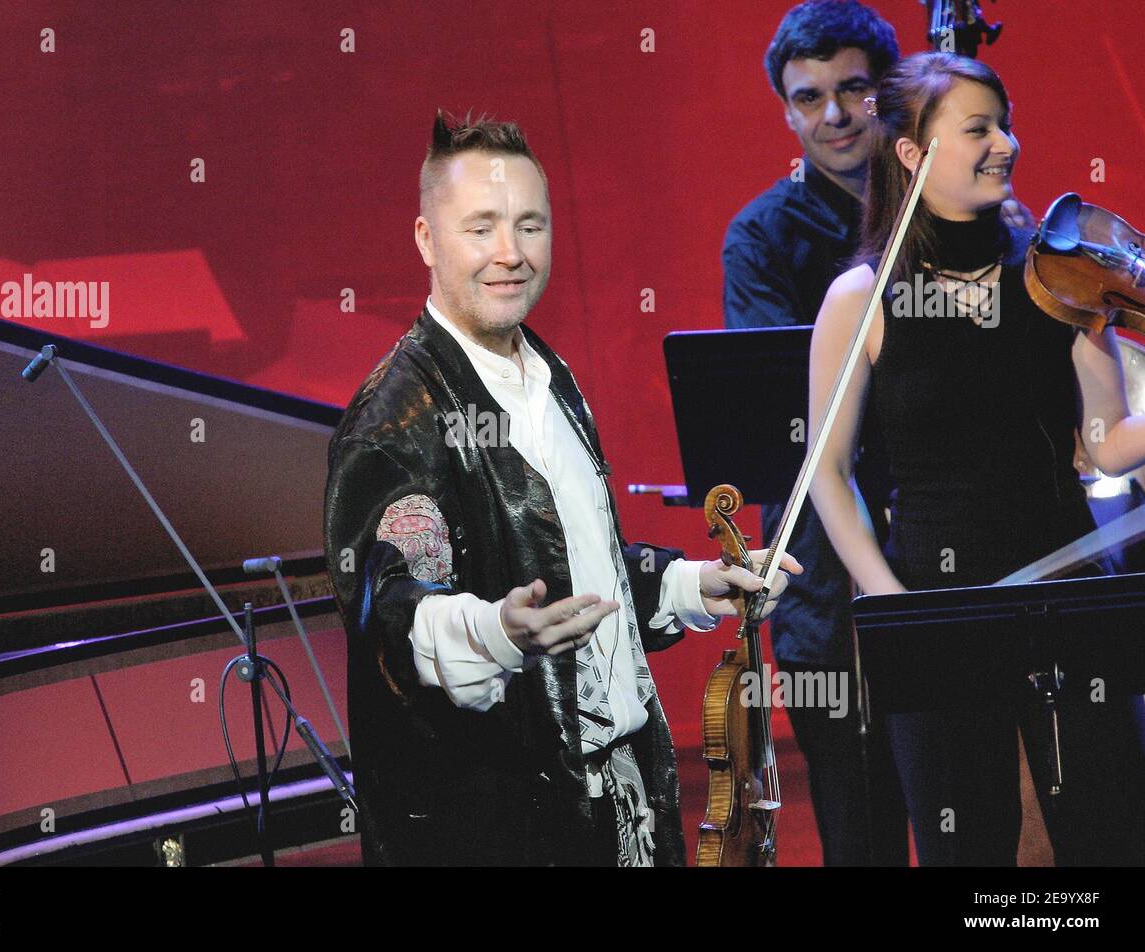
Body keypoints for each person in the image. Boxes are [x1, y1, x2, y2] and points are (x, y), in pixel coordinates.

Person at [324, 111, 799, 866]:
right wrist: (494, 631)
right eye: (481, 228)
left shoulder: (553, 378)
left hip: (622, 804)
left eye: (530, 226)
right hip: (502, 831)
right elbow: (394, 610)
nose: (510, 254)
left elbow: (583, 565)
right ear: (425, 239)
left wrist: (688, 584)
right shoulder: (396, 418)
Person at [809, 51, 1145, 865]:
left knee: (1112, 835)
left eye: (1006, 123)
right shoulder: (862, 296)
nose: (1007, 143)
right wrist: (889, 600)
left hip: (1066, 594)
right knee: (969, 844)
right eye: (979, 128)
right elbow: (826, 469)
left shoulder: (1054, 277)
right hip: (937, 603)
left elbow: (1106, 445)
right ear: (911, 153)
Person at [721, 0, 908, 866]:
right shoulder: (761, 236)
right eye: (807, 98)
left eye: (853, 90)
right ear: (785, 109)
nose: (831, 116)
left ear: (890, 90)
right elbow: (794, 423)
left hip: (948, 535)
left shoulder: (951, 209)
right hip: (824, 581)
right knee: (855, 813)